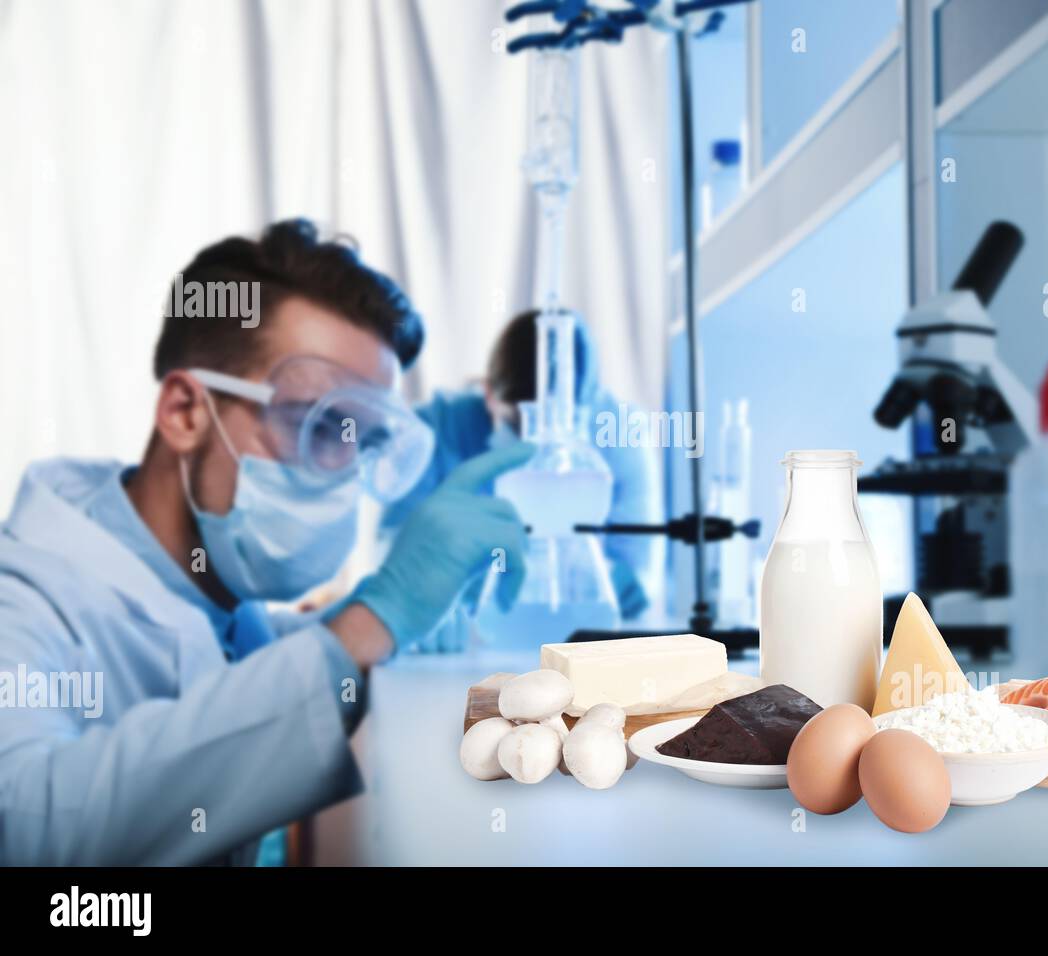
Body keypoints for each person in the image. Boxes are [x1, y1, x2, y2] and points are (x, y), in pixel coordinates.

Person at [0, 219, 530, 865]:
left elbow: (208, 666)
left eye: (365, 439)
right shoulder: (21, 599)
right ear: (186, 413)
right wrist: (369, 623)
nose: (343, 470)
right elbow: (27, 831)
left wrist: (369, 632)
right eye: (321, 422)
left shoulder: (208, 585)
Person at [386, 309, 664, 649]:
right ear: (489, 394)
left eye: (570, 424)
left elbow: (637, 566)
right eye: (518, 424)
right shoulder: (439, 428)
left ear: (589, 406)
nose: (537, 452)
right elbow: (394, 553)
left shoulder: (620, 432)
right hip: (474, 647)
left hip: (584, 644)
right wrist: (435, 587)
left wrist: (615, 579)